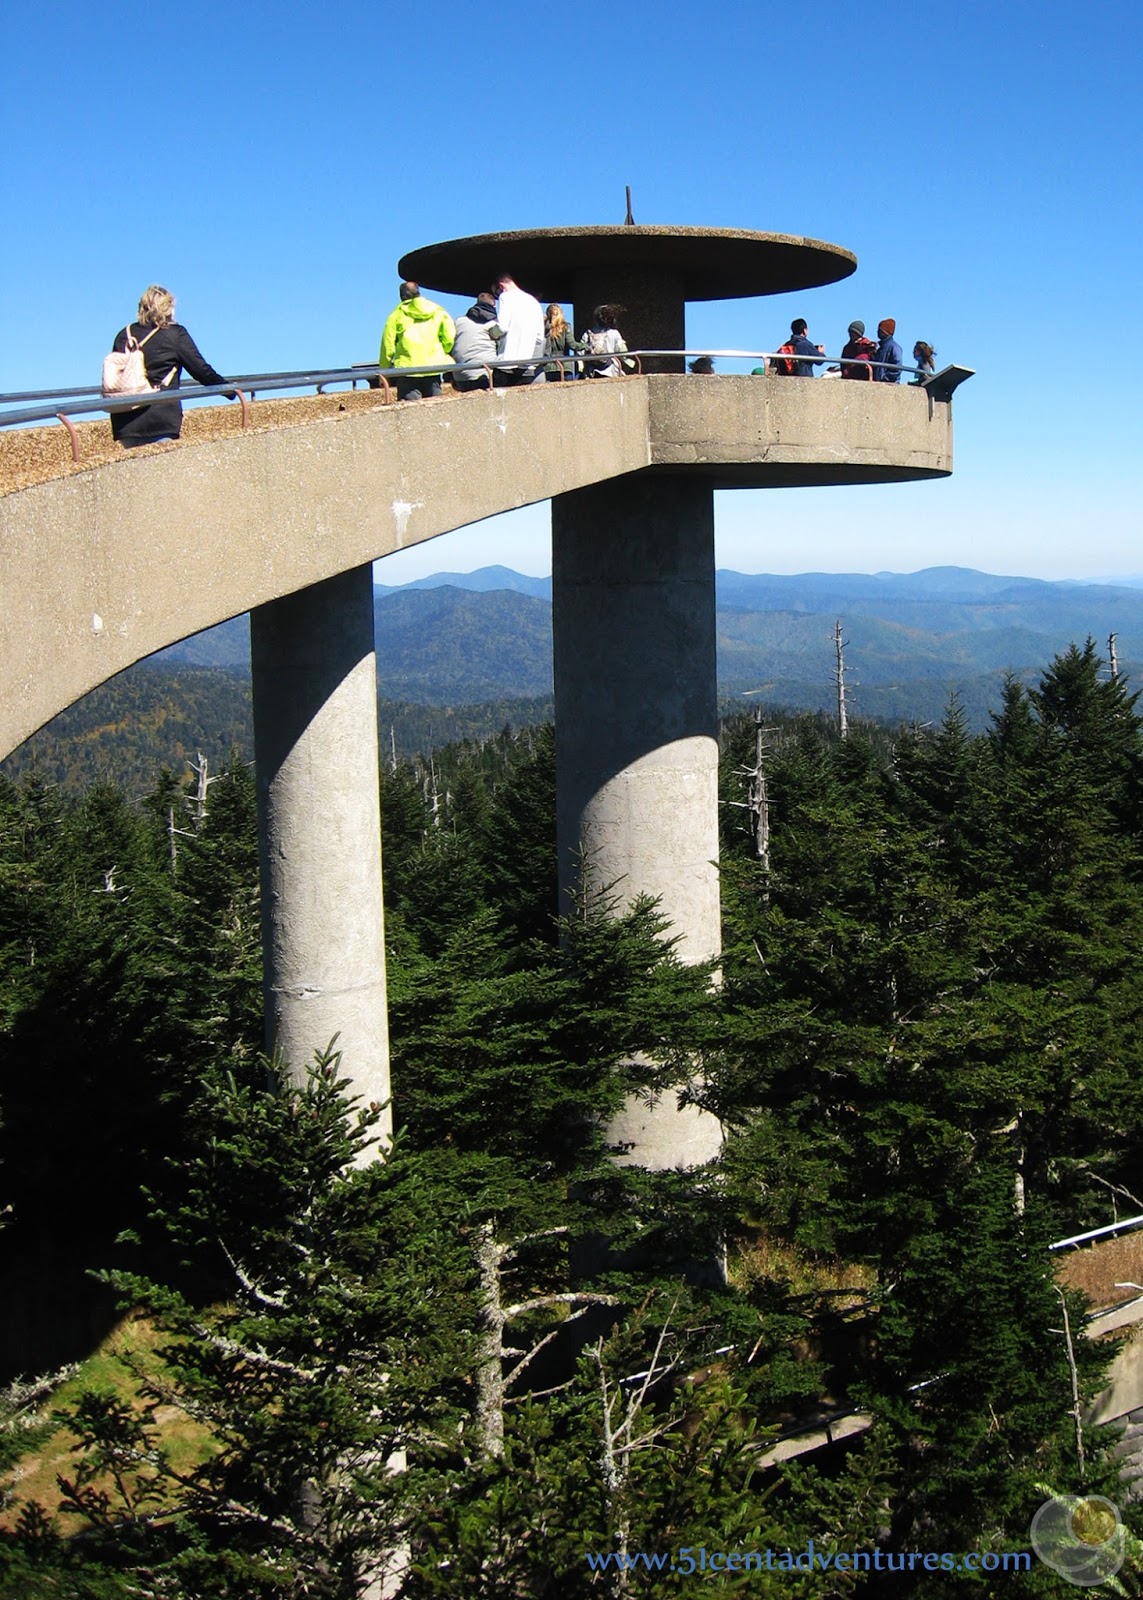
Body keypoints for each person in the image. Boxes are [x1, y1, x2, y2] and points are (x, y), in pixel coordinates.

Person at [110, 285, 229, 448]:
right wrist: (229, 390)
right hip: (160, 419)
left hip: (125, 420)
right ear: (168, 307)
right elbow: (201, 370)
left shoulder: (124, 335)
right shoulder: (174, 334)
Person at [380, 280, 455, 400]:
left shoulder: (396, 315)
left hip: (407, 369)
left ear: (401, 297)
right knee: (436, 411)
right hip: (433, 367)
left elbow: (387, 345)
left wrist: (384, 371)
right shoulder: (438, 311)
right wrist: (443, 351)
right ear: (418, 292)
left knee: (411, 413)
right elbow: (450, 336)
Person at [491, 273, 545, 386]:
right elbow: (540, 337)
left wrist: (492, 333)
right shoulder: (534, 302)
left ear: (501, 286)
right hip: (527, 364)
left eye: (496, 293)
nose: (497, 296)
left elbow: (502, 326)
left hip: (506, 362)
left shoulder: (505, 297)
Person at [450, 293, 502, 391]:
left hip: (460, 377)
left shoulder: (459, 321)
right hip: (486, 375)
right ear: (494, 306)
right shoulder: (495, 324)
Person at [580, 304, 632, 378]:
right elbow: (623, 352)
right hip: (611, 370)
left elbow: (580, 352)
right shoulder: (614, 333)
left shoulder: (588, 334)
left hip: (591, 372)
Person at [543, 303, 581, 381]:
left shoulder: (543, 328)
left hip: (548, 366)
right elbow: (572, 345)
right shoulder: (565, 327)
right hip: (564, 366)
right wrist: (587, 346)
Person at [875, 318, 903, 383]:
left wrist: (884, 378)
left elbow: (897, 368)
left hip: (889, 386)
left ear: (885, 332)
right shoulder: (880, 348)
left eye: (879, 330)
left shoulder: (894, 347)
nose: (877, 332)